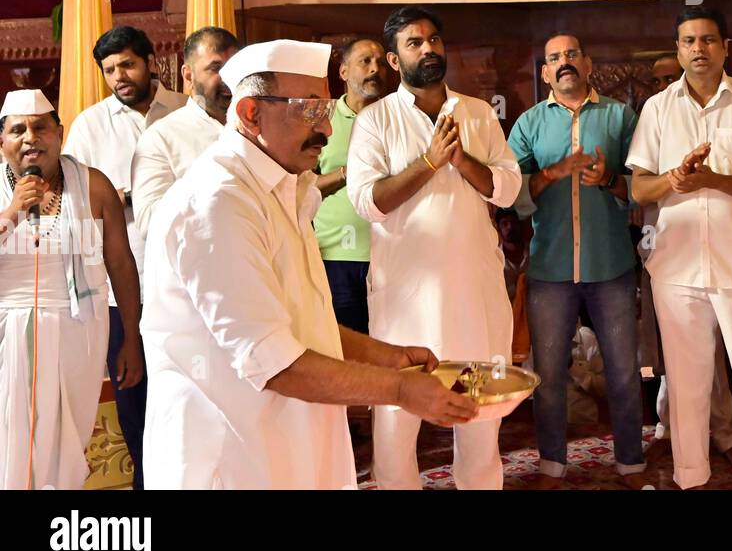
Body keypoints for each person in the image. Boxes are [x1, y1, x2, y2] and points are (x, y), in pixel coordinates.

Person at [141, 40, 478, 490]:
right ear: (250, 114)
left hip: (282, 443)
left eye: (326, 111)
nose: (328, 131)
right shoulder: (217, 204)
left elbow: (300, 322)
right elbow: (275, 362)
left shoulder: (285, 187)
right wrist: (399, 391)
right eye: (308, 112)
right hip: (229, 453)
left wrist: (390, 358)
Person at [348, 6, 521, 490]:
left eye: (433, 40)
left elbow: (507, 190)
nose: (427, 49)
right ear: (392, 58)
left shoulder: (477, 113)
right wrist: (428, 162)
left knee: (480, 416)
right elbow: (367, 202)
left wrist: (463, 160)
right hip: (407, 302)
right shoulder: (376, 121)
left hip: (474, 295)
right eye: (414, 43)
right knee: (396, 424)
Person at [628, 5, 732, 490]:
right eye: (688, 41)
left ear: (725, 48)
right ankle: (690, 478)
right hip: (677, 269)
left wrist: (711, 179)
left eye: (707, 40)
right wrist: (674, 180)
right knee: (686, 386)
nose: (698, 49)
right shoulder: (658, 109)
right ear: (677, 50)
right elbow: (639, 188)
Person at [507, 32, 648, 489]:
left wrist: (607, 178)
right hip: (550, 269)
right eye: (554, 58)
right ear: (545, 72)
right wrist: (553, 174)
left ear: (588, 64)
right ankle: (552, 464)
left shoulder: (621, 116)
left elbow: (641, 190)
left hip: (611, 266)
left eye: (571, 55)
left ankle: (630, 462)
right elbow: (510, 195)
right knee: (548, 375)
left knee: (625, 371)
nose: (563, 62)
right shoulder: (528, 124)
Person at [0, 89, 143, 489]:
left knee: (69, 441)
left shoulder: (93, 185)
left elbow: (120, 264)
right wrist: (12, 213)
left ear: (59, 133)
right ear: (2, 142)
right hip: (8, 332)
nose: (31, 137)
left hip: (80, 329)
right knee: (9, 440)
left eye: (40, 127)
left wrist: (131, 337)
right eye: (18, 130)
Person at [63, 25, 183, 490]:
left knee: (183, 384)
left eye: (127, 65)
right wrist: (123, 197)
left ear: (151, 62)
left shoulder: (183, 112)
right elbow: (75, 199)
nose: (119, 76)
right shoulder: (91, 124)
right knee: (134, 388)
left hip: (182, 274)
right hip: (121, 282)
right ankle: (146, 484)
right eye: (109, 70)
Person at [639, 54, 732, 468]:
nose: (667, 83)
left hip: (718, 247)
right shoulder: (653, 117)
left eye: (671, 76)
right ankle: (669, 428)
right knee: (666, 346)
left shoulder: (718, 114)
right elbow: (639, 188)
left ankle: (724, 431)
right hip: (660, 244)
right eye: (659, 78)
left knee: (709, 347)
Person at [132, 27, 240, 242]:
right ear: (188, 76)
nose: (229, 77)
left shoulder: (260, 127)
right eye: (216, 68)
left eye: (234, 67)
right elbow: (148, 223)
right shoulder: (161, 137)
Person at [314, 36, 387, 334]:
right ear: (343, 72)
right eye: (365, 61)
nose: (375, 69)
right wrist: (347, 172)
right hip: (335, 257)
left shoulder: (395, 117)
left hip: (389, 255)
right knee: (344, 348)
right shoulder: (320, 119)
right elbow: (300, 187)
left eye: (381, 62)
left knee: (389, 346)